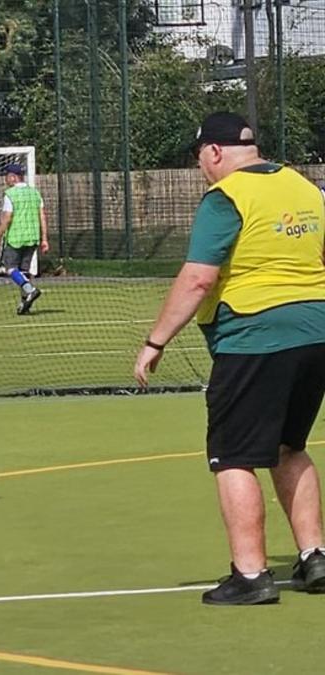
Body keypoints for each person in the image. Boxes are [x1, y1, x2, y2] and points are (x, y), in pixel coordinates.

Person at [133, 111, 325, 605]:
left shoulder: (226, 197)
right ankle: (314, 557)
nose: (202, 168)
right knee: (289, 446)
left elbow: (198, 278)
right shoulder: (304, 188)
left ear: (214, 152)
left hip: (254, 335)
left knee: (234, 455)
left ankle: (251, 574)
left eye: (200, 158)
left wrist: (156, 341)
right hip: (316, 334)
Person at [0, 163, 48, 315]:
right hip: (32, 238)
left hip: (16, 238)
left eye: (7, 176)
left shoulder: (11, 194)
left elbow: (6, 218)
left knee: (11, 269)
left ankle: (30, 290)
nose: (5, 179)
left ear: (14, 177)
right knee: (24, 272)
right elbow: (42, 216)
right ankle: (25, 304)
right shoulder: (35, 193)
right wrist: (44, 239)